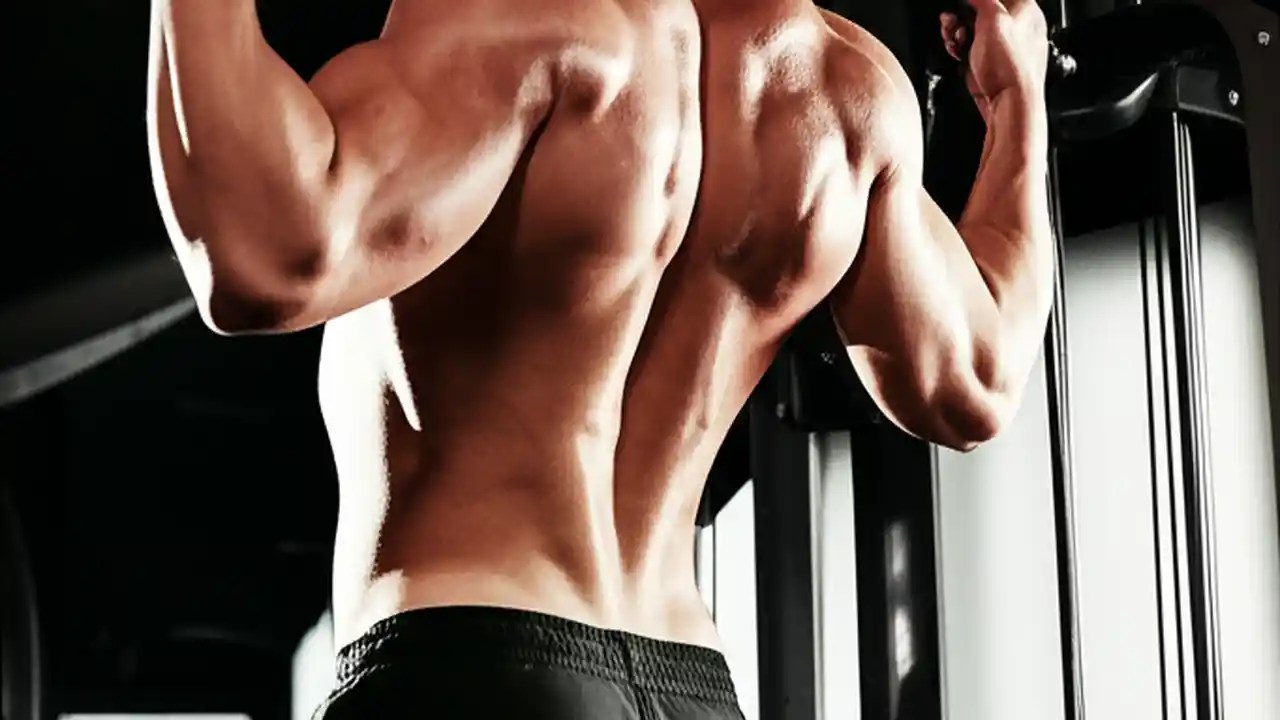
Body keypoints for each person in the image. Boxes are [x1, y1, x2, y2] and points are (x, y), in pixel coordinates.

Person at [146, 0, 1052, 717]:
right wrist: (1018, 106)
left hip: (471, 669)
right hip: (694, 689)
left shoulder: (532, 19)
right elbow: (975, 380)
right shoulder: (844, 94)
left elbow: (269, 256)